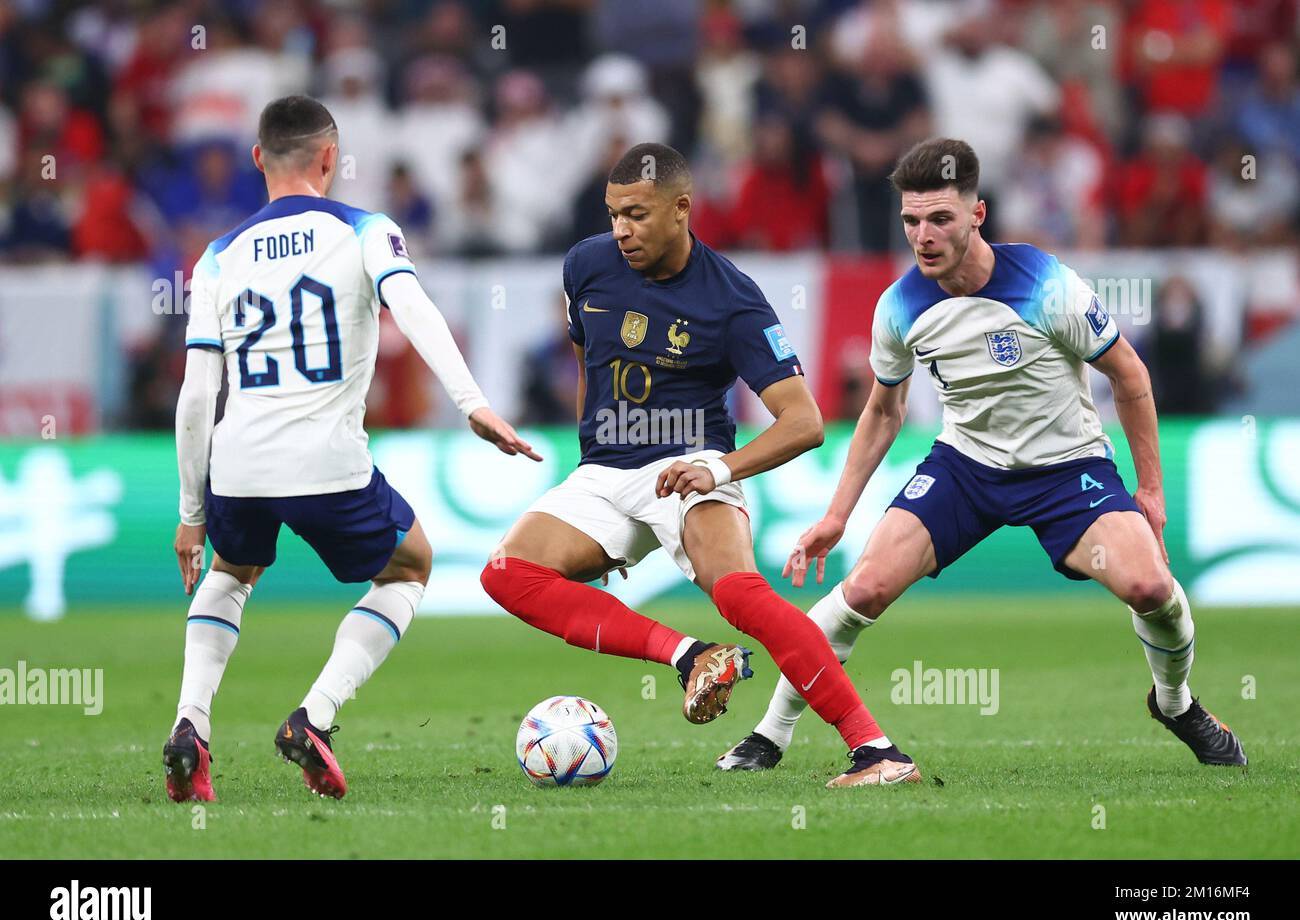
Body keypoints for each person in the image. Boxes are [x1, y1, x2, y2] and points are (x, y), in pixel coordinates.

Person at [718, 137, 1246, 772]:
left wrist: (1151, 488)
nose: (924, 236)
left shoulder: (1047, 285)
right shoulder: (900, 306)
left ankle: (1175, 702)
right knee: (863, 588)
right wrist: (837, 514)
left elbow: (1129, 377)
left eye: (940, 218)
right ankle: (770, 736)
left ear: (977, 215)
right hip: (964, 468)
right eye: (912, 221)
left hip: (1069, 468)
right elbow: (883, 411)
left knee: (1151, 586)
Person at [480, 142, 915, 789]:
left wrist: (720, 470)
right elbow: (588, 362)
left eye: (636, 214)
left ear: (681, 209)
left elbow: (805, 422)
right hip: (604, 471)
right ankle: (691, 656)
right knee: (506, 575)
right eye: (613, 215)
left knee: (739, 592)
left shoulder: (731, 298)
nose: (621, 230)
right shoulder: (587, 267)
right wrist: (591, 460)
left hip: (693, 466)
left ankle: (875, 751)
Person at [164, 95, 538, 802]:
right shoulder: (365, 229)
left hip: (237, 464)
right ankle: (315, 716)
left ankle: (190, 726)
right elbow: (414, 308)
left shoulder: (217, 256)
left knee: (232, 569)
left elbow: (194, 394)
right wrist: (473, 404)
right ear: (330, 159)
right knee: (408, 566)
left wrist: (191, 510)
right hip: (325, 463)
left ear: (257, 160)